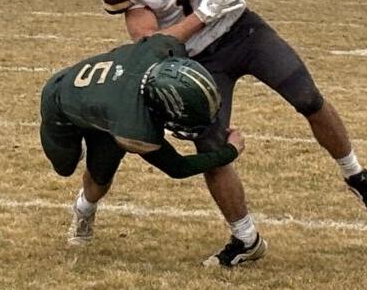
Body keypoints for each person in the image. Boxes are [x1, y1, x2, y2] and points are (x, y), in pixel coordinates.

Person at [96, 0, 367, 267]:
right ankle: (245, 239)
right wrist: (203, 14)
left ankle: (358, 179)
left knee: (308, 98)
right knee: (214, 152)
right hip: (194, 61)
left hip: (243, 31)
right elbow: (150, 43)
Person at [41, 34, 245, 246]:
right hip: (60, 104)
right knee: (65, 166)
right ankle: (80, 141)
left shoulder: (166, 47)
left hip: (109, 105)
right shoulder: (133, 125)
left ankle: (83, 209)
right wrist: (230, 151)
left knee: (100, 178)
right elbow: (178, 167)